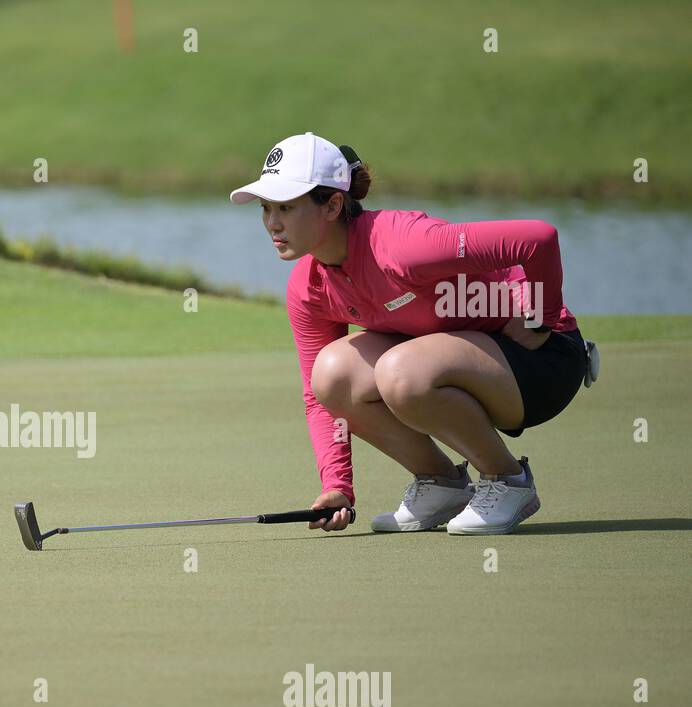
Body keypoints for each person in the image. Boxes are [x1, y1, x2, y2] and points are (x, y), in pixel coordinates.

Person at [230, 132, 596, 535]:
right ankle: (441, 483)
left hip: (541, 361)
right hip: (455, 367)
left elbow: (537, 239)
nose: (272, 223)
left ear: (333, 205)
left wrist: (539, 318)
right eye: (266, 208)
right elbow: (320, 403)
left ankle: (508, 481)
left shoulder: (403, 245)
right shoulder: (309, 285)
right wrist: (337, 486)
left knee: (399, 371)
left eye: (285, 207)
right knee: (331, 374)